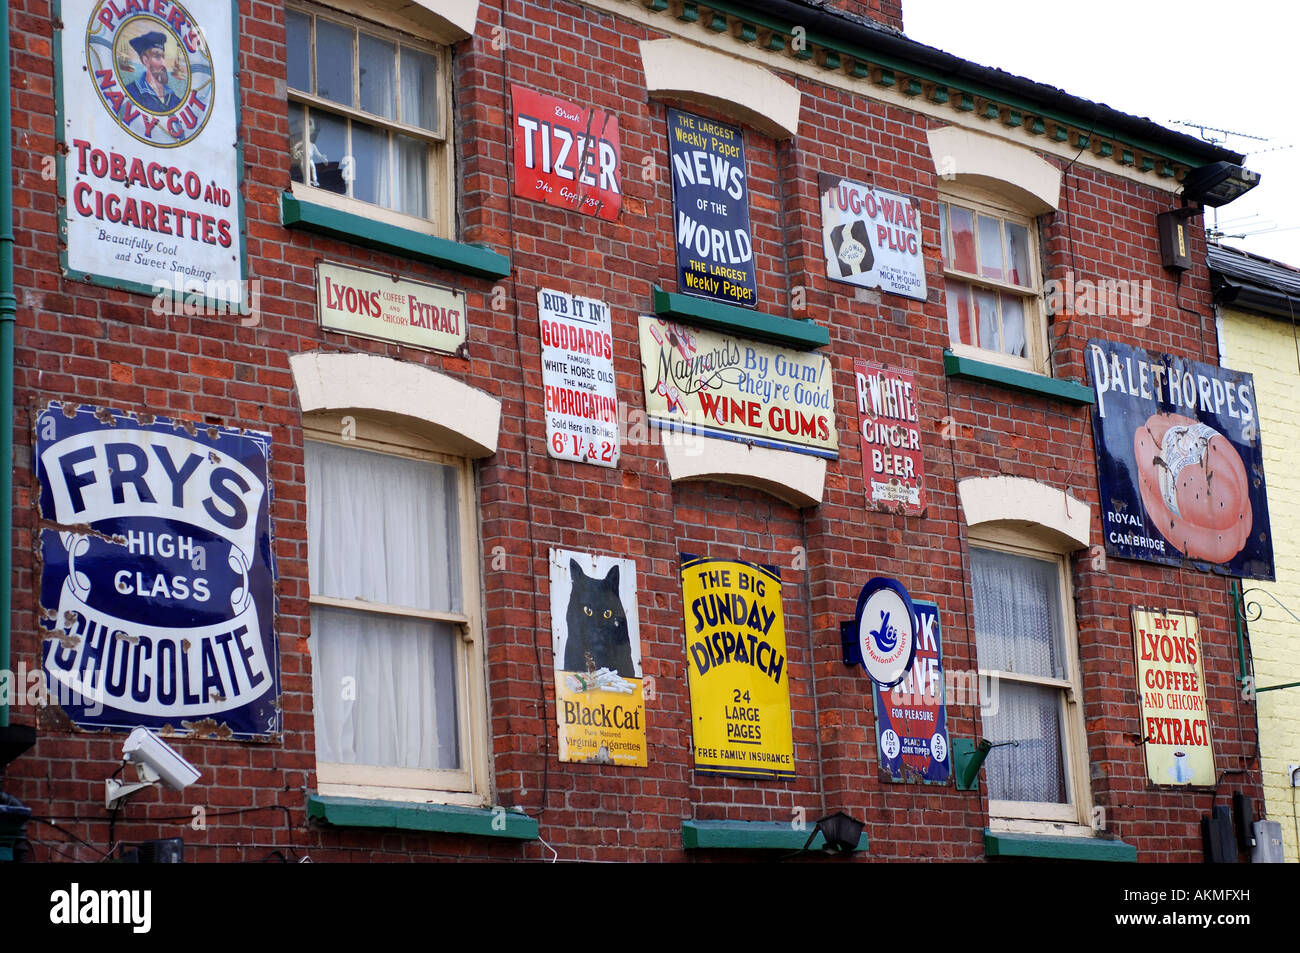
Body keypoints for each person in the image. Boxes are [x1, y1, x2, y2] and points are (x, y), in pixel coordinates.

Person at [125, 31, 182, 112]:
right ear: (145, 60)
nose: (163, 63)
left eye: (163, 57)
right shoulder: (132, 92)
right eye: (157, 57)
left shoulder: (172, 97)